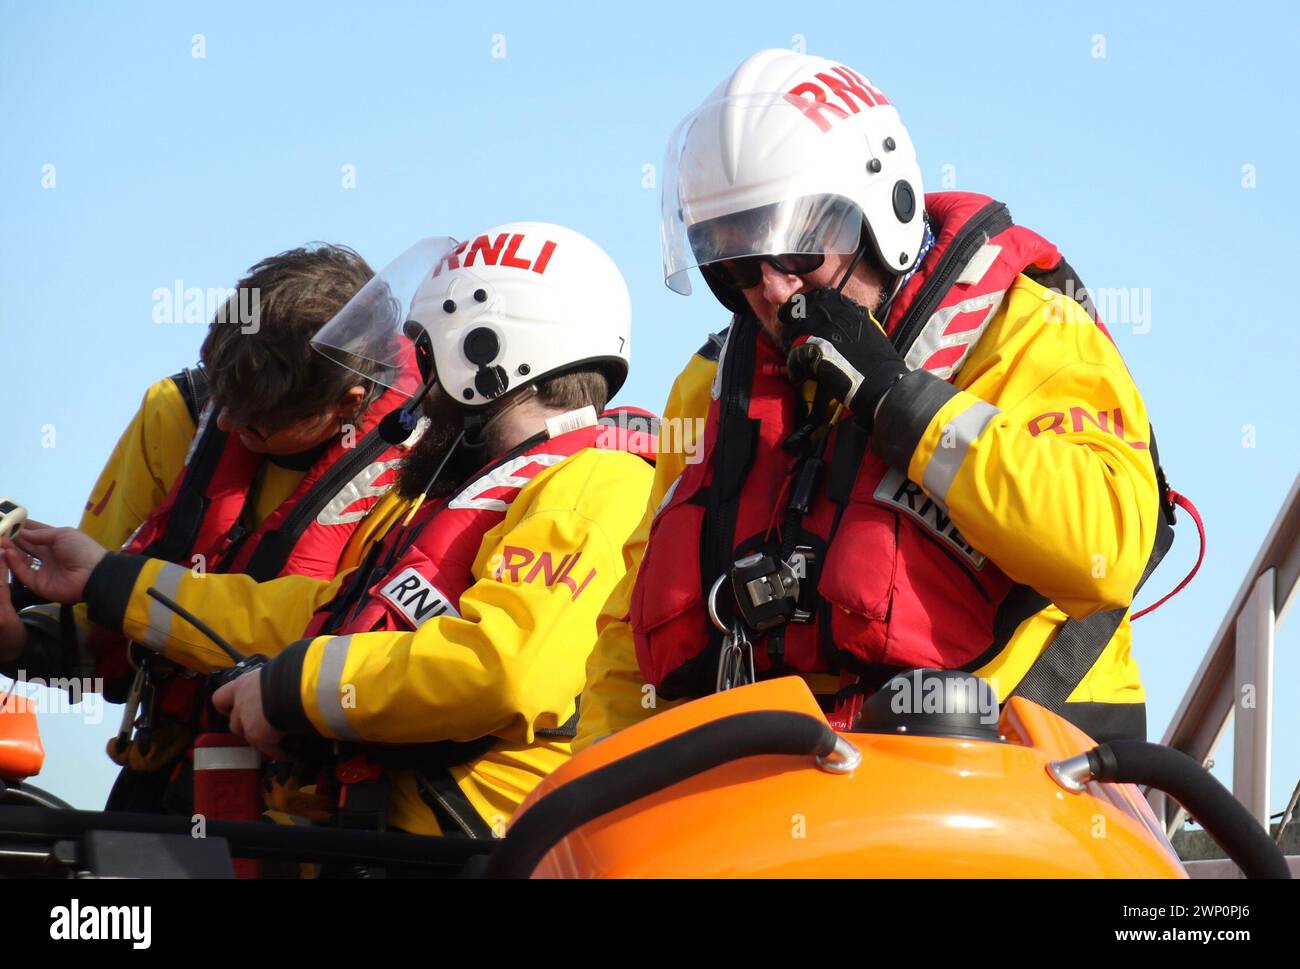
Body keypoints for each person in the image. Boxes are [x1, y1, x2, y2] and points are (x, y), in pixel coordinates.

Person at [576, 49, 1177, 751]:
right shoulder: (708, 384)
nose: (770, 289)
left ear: (881, 213)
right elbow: (625, 640)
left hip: (1025, 778)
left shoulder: (1031, 329)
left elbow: (1109, 544)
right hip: (773, 797)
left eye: (798, 248)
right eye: (733, 261)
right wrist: (597, 794)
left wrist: (903, 404)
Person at [5, 223, 657, 837]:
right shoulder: (453, 494)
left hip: (467, 850)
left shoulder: (596, 482)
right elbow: (306, 614)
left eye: (425, 356)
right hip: (373, 841)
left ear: (482, 354)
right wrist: (109, 577)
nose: (413, 386)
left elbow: (506, 670)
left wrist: (292, 688)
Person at [1, 243, 420, 811]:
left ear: (349, 403)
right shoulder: (177, 412)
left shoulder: (424, 461)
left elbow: (363, 645)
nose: (223, 421)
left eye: (255, 421)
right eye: (223, 397)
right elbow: (89, 628)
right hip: (167, 774)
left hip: (309, 807)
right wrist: (18, 640)